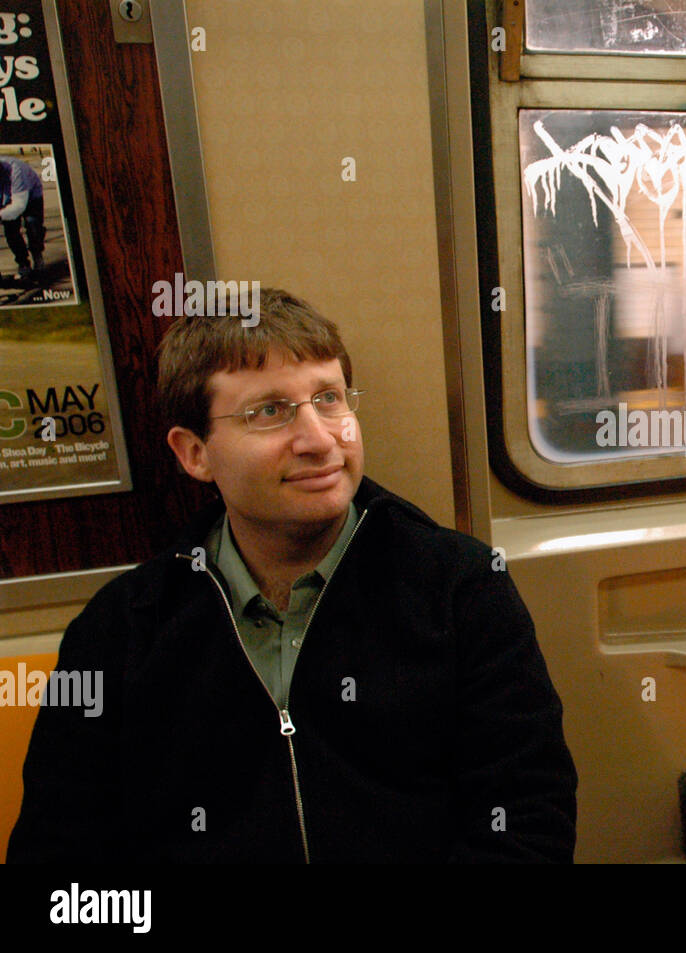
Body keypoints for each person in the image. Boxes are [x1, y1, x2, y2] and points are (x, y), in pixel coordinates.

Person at [8, 288, 578, 862]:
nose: (320, 439)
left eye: (329, 399)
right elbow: (59, 854)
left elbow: (527, 824)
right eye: (270, 412)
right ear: (194, 454)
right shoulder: (119, 631)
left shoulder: (460, 587)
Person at [0, 155, 45, 281]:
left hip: (31, 195)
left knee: (33, 225)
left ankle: (37, 255)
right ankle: (23, 263)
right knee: (11, 232)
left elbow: (19, 206)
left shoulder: (16, 171)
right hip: (5, 197)